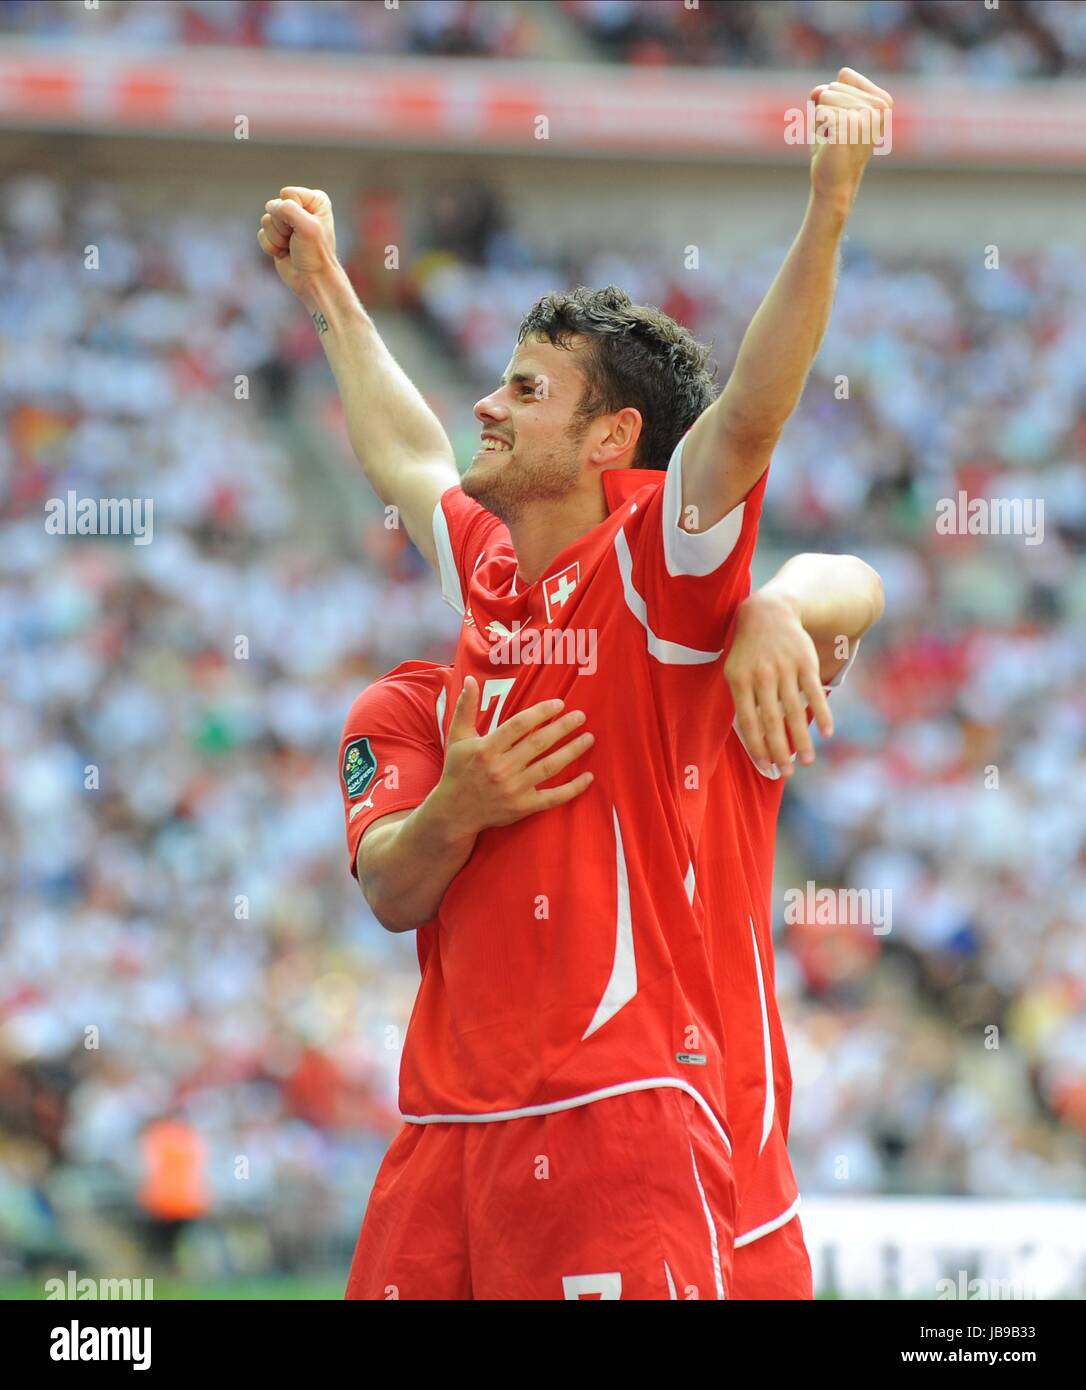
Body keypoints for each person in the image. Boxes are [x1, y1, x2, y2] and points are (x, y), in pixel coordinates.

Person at [258, 69, 893, 1299]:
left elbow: (752, 424)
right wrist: (330, 290)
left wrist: (829, 204)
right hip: (447, 1133)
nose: (488, 403)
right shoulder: (490, 582)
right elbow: (405, 454)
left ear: (612, 442)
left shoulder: (662, 572)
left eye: (527, 390)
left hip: (636, 1114)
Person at [338, 555, 882, 1300]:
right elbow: (390, 894)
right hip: (473, 1137)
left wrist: (777, 605)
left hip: (722, 1165)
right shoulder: (417, 707)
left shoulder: (695, 660)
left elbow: (856, 582)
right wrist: (453, 811)